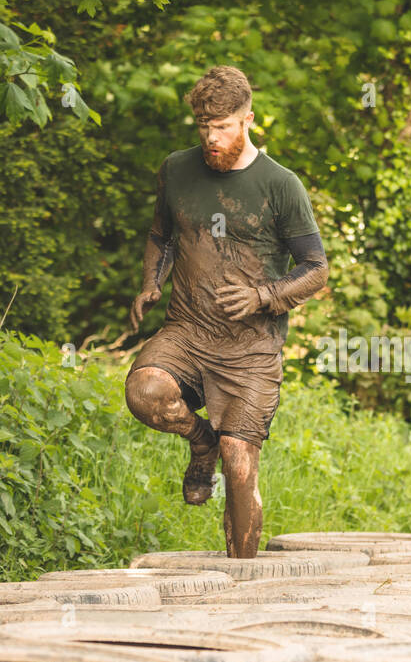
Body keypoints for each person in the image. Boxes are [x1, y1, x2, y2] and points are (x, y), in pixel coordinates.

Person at [125, 66, 327, 557]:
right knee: (143, 392)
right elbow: (162, 234)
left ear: (248, 120)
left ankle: (241, 581)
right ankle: (200, 443)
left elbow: (316, 269)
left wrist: (263, 297)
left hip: (250, 346)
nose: (211, 138)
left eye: (222, 126)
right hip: (188, 330)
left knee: (239, 469)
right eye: (203, 126)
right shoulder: (177, 169)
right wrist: (151, 281)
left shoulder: (281, 185)